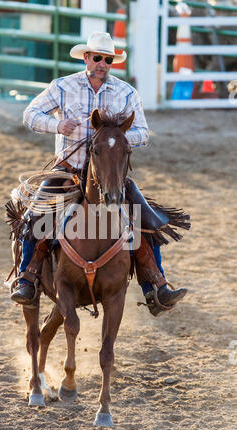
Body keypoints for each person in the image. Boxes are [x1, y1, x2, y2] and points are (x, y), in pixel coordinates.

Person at [10, 32, 189, 316]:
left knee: (147, 222)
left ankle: (157, 286)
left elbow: (144, 133)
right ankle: (27, 280)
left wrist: (116, 136)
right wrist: (57, 126)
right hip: (67, 170)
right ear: (86, 58)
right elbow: (30, 114)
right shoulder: (63, 87)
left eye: (108, 59)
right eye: (97, 58)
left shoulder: (126, 93)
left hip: (109, 173)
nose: (102, 64)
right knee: (34, 216)